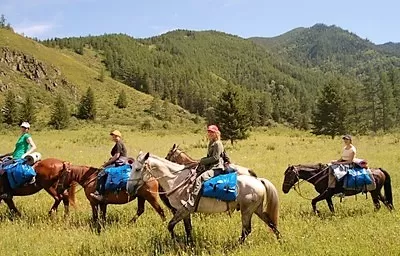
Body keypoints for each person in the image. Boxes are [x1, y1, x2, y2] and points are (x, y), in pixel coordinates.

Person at [181, 124, 226, 212]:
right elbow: (209, 156)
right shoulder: (211, 143)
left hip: (216, 168)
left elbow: (215, 158)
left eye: (212, 132)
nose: (209, 134)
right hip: (210, 166)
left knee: (200, 179)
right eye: (209, 132)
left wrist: (202, 161)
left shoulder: (217, 144)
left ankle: (191, 202)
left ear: (216, 133)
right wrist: (201, 161)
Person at [0, 122, 37, 199]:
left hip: (19, 158)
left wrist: (25, 155)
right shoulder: (21, 137)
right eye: (23, 127)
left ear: (28, 129)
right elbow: (16, 151)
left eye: (26, 128)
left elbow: (34, 146)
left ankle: (7, 192)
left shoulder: (27, 136)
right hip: (15, 156)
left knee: (4, 169)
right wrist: (4, 155)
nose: (24, 129)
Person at [90, 130, 127, 202]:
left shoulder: (119, 143)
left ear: (118, 136)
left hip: (119, 162)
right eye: (113, 136)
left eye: (114, 136)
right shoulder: (118, 143)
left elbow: (116, 156)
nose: (113, 137)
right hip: (119, 161)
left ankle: (99, 194)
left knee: (101, 174)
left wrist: (107, 163)